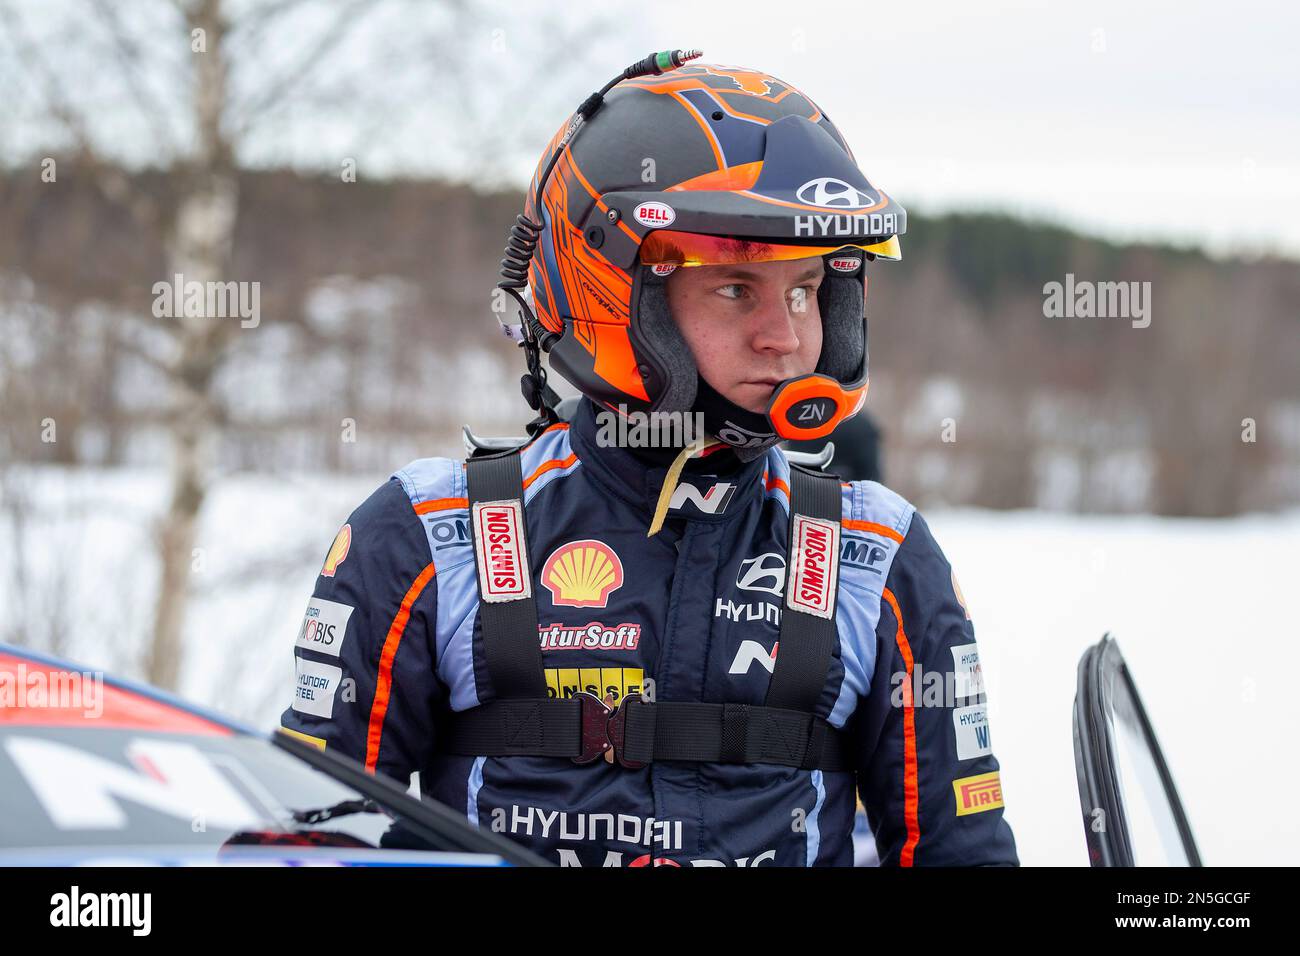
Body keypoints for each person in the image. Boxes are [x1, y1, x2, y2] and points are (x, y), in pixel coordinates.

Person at [280, 53, 1018, 867]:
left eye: (804, 291)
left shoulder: (878, 557)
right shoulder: (430, 536)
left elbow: (966, 854)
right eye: (736, 289)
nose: (785, 337)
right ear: (613, 293)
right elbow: (307, 843)